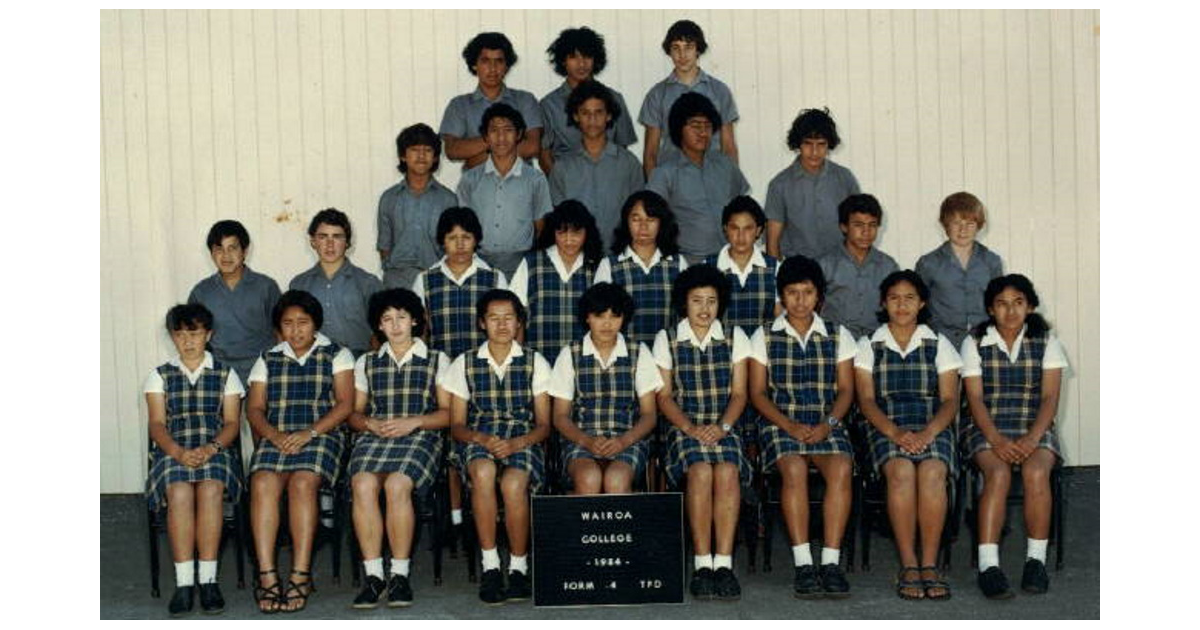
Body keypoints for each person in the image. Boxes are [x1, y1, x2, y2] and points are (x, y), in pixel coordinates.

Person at [747, 257, 857, 599]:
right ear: (781, 296)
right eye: (792, 293)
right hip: (781, 423)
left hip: (826, 421)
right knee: (793, 469)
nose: (800, 300)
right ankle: (803, 563)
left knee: (840, 467)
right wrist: (788, 425)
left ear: (819, 297)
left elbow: (846, 390)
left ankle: (830, 561)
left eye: (807, 293)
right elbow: (757, 393)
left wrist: (829, 424)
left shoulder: (839, 335)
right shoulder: (763, 335)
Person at [854, 271, 963, 601]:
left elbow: (949, 400)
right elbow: (867, 401)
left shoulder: (938, 342)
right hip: (886, 424)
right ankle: (908, 563)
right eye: (894, 298)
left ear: (922, 303)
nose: (902, 305)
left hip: (932, 423)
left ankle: (929, 564)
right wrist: (896, 433)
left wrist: (929, 432)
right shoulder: (869, 344)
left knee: (932, 472)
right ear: (883, 303)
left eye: (909, 298)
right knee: (900, 472)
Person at [246, 290, 355, 613]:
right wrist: (275, 436)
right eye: (288, 324)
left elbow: (346, 404)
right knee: (263, 482)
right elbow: (254, 409)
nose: (296, 331)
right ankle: (267, 575)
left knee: (302, 482)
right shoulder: (268, 358)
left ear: (315, 324)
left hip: (321, 434)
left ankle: (300, 572)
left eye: (303, 323)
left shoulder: (337, 354)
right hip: (278, 434)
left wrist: (310, 433)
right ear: (279, 329)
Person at [443, 290, 553, 605]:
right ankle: (491, 565)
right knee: (483, 470)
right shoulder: (464, 363)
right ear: (482, 323)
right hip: (479, 436)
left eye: (509, 317)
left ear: (519, 322)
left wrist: (518, 442)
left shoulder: (535, 362)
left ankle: (518, 567)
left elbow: (544, 425)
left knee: (514, 482)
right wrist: (483, 440)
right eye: (494, 318)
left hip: (522, 436)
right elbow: (457, 425)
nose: (502, 325)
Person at [961, 274, 1068, 599]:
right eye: (1002, 304)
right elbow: (975, 399)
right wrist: (995, 439)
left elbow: (1050, 398)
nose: (1010, 311)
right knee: (998, 472)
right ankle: (988, 566)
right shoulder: (975, 341)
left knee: (1037, 472)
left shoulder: (1046, 340)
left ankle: (1035, 561)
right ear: (991, 309)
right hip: (986, 425)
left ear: (1030, 306)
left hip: (1033, 424)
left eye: (1018, 303)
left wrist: (1033, 438)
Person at [346, 288, 452, 609]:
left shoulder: (436, 359)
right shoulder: (366, 362)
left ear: (415, 320)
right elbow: (353, 414)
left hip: (420, 436)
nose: (395, 326)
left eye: (402, 318)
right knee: (362, 483)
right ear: (378, 325)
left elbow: (448, 414)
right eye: (387, 319)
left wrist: (415, 422)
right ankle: (374, 574)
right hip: (376, 435)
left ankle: (400, 574)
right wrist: (370, 425)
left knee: (396, 484)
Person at [653, 265, 752, 601]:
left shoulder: (734, 336)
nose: (705, 309)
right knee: (699, 472)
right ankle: (701, 564)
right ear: (684, 303)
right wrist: (690, 428)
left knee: (726, 471)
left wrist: (723, 427)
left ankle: (723, 564)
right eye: (697, 301)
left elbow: (740, 393)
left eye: (712, 301)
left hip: (724, 426)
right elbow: (664, 396)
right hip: (685, 427)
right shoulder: (666, 338)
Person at [144, 304, 245, 616]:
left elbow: (231, 423)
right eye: (180, 334)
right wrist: (178, 452)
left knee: (211, 488)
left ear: (208, 334)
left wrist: (211, 448)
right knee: (180, 491)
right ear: (173, 337)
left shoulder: (226, 374)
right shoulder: (160, 375)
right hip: (173, 450)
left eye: (195, 333)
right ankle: (185, 582)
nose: (188, 340)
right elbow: (157, 424)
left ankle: (209, 580)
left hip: (215, 449)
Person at [412, 206, 507, 537]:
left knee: (478, 435)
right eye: (452, 238)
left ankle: (491, 512)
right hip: (443, 374)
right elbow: (418, 333)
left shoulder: (493, 277)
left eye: (466, 237)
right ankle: (455, 516)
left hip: (485, 372)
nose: (460, 244)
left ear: (477, 239)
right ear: (442, 242)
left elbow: (511, 326)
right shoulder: (426, 279)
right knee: (452, 437)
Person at [549, 283, 661, 494]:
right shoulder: (570, 353)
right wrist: (587, 441)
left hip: (628, 440)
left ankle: (622, 529)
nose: (607, 324)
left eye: (614, 317)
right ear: (587, 317)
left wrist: (623, 441)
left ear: (623, 319)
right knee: (589, 477)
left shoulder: (638, 351)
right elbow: (560, 416)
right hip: (581, 440)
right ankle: (584, 527)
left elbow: (649, 415)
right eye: (600, 316)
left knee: (616, 480)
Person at [188, 220, 281, 464]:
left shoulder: (265, 286)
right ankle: (233, 487)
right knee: (221, 431)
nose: (226, 255)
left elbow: (281, 331)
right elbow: (193, 337)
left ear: (245, 250)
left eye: (233, 248)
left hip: (260, 369)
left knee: (263, 427)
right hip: (219, 371)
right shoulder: (201, 292)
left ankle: (268, 477)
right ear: (211, 253)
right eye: (219, 249)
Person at [646, 92, 750, 263]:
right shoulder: (664, 174)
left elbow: (742, 209)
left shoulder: (726, 165)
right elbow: (654, 222)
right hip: (687, 262)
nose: (702, 132)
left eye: (707, 126)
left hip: (730, 259)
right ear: (679, 128)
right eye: (695, 125)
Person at [455, 103, 554, 278]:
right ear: (485, 137)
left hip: (522, 264)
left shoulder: (535, 179)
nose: (501, 137)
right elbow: (464, 228)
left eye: (508, 130)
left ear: (519, 134)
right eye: (494, 131)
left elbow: (541, 228)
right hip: (480, 263)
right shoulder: (469, 180)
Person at [548, 79, 644, 252]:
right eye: (585, 113)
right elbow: (560, 220)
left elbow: (638, 213)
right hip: (577, 257)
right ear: (576, 116)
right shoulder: (562, 167)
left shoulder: (629, 163)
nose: (592, 119)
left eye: (598, 112)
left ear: (608, 115)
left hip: (619, 255)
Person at [639, 19, 739, 176]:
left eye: (688, 47)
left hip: (712, 178)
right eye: (676, 48)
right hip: (672, 183)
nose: (682, 55)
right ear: (669, 51)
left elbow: (728, 147)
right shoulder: (657, 95)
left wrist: (730, 189)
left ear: (698, 50)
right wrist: (656, 194)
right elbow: (651, 153)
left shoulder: (719, 91)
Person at [508, 199, 603, 359]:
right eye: (561, 232)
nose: (568, 240)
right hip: (539, 356)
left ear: (587, 233)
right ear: (553, 232)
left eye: (576, 233)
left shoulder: (597, 266)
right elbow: (515, 312)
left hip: (584, 358)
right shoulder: (532, 263)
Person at [765, 107, 861, 261]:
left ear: (829, 144)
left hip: (841, 268)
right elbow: (772, 241)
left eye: (821, 144)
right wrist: (777, 278)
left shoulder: (845, 179)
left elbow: (860, 227)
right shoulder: (779, 185)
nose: (814, 152)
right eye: (808, 144)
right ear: (798, 144)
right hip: (799, 271)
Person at [593, 190, 687, 348]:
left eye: (650, 219)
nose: (643, 226)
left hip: (669, 353)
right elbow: (599, 316)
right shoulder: (609, 265)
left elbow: (686, 314)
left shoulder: (678, 263)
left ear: (661, 223)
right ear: (626, 222)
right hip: (625, 355)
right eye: (636, 219)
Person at [538, 27, 637, 174]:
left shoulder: (615, 98)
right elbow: (544, 156)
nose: (581, 64)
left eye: (587, 56)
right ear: (563, 61)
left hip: (609, 180)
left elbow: (622, 149)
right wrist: (561, 188)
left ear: (595, 59)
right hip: (567, 183)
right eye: (573, 57)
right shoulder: (549, 105)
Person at [440, 32, 542, 170]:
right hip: (477, 187)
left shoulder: (525, 100)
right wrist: (503, 141)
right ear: (474, 65)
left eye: (499, 61)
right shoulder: (459, 105)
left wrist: (475, 158)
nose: (493, 68)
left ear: (507, 66)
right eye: (485, 61)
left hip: (522, 186)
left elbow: (532, 147)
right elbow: (452, 150)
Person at [289, 208, 384, 357]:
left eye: (337, 237)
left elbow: (382, 331)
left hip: (357, 361)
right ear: (313, 241)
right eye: (323, 237)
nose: (330, 244)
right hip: (314, 364)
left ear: (347, 242)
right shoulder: (299, 285)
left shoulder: (368, 283)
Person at [915, 191, 1004, 349]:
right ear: (945, 225)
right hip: (942, 342)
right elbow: (918, 306)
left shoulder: (991, 261)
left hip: (983, 340)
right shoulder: (928, 263)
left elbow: (998, 303)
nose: (963, 230)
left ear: (979, 225)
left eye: (970, 224)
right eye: (956, 223)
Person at [377, 123, 458, 290]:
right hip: (396, 281)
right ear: (403, 156)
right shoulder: (389, 198)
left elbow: (453, 243)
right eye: (414, 149)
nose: (421, 156)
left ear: (435, 157)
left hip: (436, 281)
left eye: (427, 150)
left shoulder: (448, 199)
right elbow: (384, 244)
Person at [818, 193, 900, 339]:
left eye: (872, 225)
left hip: (876, 342)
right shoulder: (826, 264)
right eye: (858, 225)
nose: (866, 232)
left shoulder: (888, 266)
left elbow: (895, 308)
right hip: (835, 342)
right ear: (843, 226)